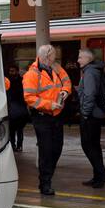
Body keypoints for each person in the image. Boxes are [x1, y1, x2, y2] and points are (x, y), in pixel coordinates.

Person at [22, 44, 71, 195]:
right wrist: (49, 104)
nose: (55, 59)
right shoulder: (31, 74)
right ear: (45, 57)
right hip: (42, 117)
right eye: (53, 56)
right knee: (46, 150)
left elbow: (67, 82)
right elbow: (29, 98)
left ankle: (48, 176)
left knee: (57, 148)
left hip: (56, 116)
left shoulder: (56, 68)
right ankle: (45, 183)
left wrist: (64, 92)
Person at [76, 48, 105, 187]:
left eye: (80, 57)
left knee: (87, 145)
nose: (78, 60)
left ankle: (102, 173)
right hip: (96, 113)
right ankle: (98, 177)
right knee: (94, 146)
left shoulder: (90, 72)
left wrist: (85, 113)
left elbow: (90, 94)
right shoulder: (94, 70)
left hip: (91, 115)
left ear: (87, 59)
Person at [5, 65, 30, 152]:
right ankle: (13, 145)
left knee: (19, 129)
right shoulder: (8, 81)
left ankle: (19, 145)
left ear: (17, 71)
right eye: (10, 71)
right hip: (12, 106)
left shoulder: (21, 81)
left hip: (20, 106)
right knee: (12, 129)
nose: (11, 73)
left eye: (13, 71)